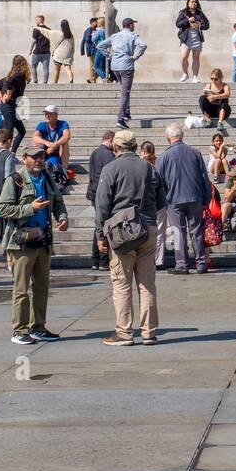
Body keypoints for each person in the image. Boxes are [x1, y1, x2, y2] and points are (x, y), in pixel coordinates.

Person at [94, 129, 165, 344]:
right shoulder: (150, 168)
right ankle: (149, 332)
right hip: (148, 228)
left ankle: (124, 333)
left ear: (115, 147)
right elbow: (162, 199)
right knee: (147, 284)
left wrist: (100, 234)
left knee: (121, 283)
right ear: (135, 146)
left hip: (122, 231)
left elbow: (102, 205)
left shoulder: (111, 168)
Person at [0, 141, 69, 342]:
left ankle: (38, 326)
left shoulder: (46, 178)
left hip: (43, 240)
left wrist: (62, 217)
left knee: (41, 287)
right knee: (21, 289)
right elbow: (3, 209)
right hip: (21, 242)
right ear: (24, 158)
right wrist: (31, 208)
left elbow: (58, 201)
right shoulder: (16, 180)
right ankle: (19, 330)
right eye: (35, 156)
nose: (39, 160)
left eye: (42, 156)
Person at [155, 123, 210, 275]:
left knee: (178, 232)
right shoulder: (195, 153)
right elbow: (204, 178)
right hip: (195, 197)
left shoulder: (164, 157)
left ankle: (182, 264)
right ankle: (201, 263)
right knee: (197, 231)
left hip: (173, 200)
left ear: (168, 138)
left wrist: (161, 201)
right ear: (182, 136)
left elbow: (158, 182)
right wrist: (206, 199)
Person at [101, 17, 147, 126]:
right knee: (124, 93)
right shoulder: (133, 35)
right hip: (126, 66)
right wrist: (136, 56)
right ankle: (120, 119)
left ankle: (127, 112)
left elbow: (100, 45)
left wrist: (109, 55)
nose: (134, 26)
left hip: (115, 66)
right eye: (133, 24)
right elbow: (143, 45)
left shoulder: (115, 36)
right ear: (130, 25)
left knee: (125, 90)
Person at [86, 129, 116, 270]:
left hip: (93, 192)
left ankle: (95, 260)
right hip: (103, 194)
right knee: (105, 226)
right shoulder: (109, 155)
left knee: (99, 226)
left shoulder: (95, 152)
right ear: (110, 140)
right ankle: (103, 260)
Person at [0, 55, 31, 154]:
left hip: (10, 106)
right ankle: (3, 154)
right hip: (8, 106)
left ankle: (12, 153)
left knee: (21, 131)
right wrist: (8, 95)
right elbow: (8, 83)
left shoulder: (12, 75)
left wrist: (0, 94)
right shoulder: (19, 74)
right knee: (8, 132)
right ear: (22, 64)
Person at [32, 105, 72, 177]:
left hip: (58, 153)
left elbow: (67, 136)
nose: (47, 116)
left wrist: (55, 145)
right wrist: (47, 143)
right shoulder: (42, 125)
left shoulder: (63, 124)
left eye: (50, 114)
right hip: (45, 153)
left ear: (56, 115)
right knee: (36, 143)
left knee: (65, 143)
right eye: (46, 114)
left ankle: (64, 169)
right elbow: (35, 137)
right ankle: (38, 164)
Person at [176, 0, 209, 83]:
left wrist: (199, 25)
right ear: (188, 3)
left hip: (197, 37)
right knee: (184, 57)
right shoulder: (183, 12)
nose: (194, 3)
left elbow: (207, 25)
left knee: (196, 58)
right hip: (186, 37)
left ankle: (195, 76)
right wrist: (187, 20)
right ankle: (185, 74)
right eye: (192, 2)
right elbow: (178, 24)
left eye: (196, 2)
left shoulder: (200, 13)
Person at [48, 18, 75, 84]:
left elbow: (55, 43)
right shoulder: (71, 35)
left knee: (57, 70)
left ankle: (55, 82)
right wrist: (72, 53)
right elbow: (73, 45)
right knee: (68, 68)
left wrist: (52, 51)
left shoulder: (60, 34)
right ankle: (71, 80)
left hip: (58, 54)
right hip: (67, 54)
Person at [30, 15, 51, 84]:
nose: (35, 21)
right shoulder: (48, 29)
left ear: (39, 20)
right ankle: (45, 82)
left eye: (36, 20)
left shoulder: (36, 29)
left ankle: (35, 80)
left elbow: (33, 41)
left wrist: (30, 49)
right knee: (45, 68)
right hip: (46, 52)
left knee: (33, 66)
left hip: (37, 52)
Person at [80, 17, 99, 83]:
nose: (97, 23)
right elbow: (85, 40)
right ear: (92, 23)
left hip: (94, 51)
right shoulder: (89, 30)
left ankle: (93, 79)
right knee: (93, 66)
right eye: (96, 22)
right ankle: (93, 79)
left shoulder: (95, 30)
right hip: (91, 51)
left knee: (95, 66)